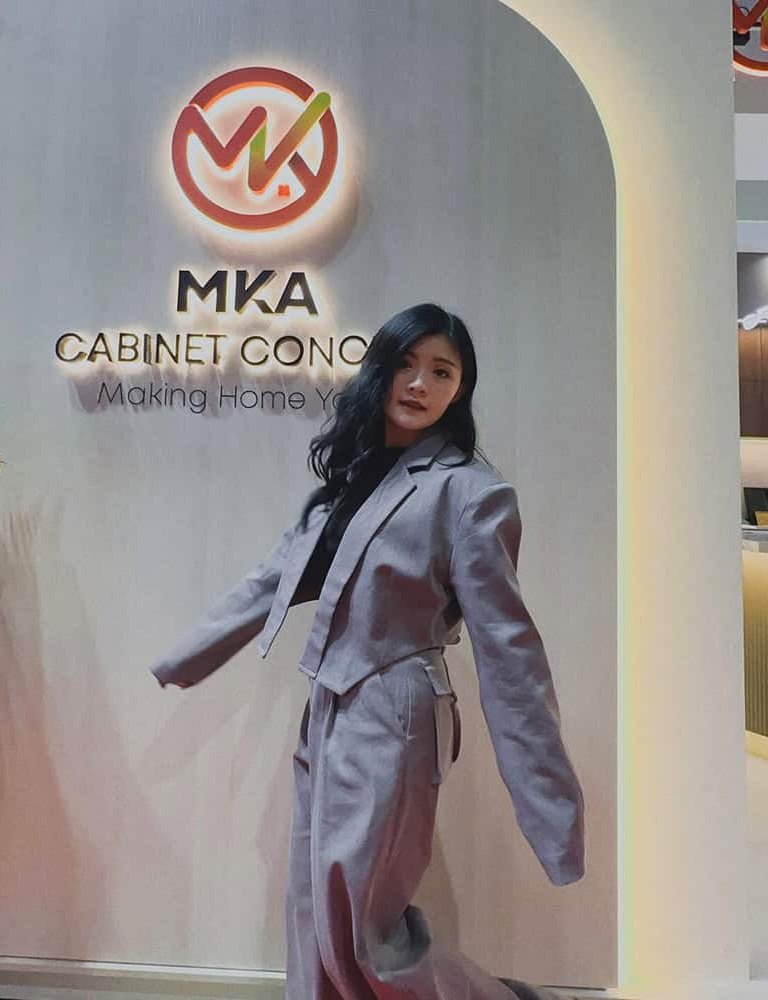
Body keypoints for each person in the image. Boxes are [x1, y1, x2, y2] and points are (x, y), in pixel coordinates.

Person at [151, 303, 584, 1000]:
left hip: (396, 714)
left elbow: (510, 653)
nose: (419, 383)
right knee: (310, 909)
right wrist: (184, 658)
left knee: (365, 934)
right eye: (407, 365)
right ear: (379, 370)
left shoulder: (470, 493)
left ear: (461, 390)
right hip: (325, 709)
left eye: (441, 372)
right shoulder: (354, 479)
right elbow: (273, 577)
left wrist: (549, 804)